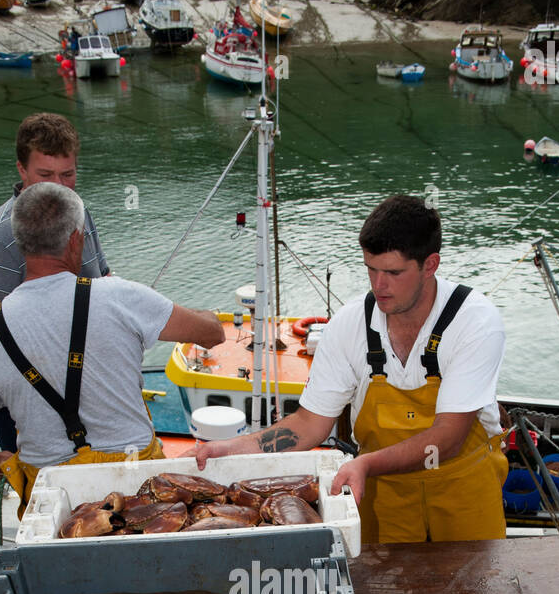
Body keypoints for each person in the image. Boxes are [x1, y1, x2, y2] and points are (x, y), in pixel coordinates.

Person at [195, 194, 508, 543]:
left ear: (430, 264)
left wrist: (366, 463)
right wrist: (233, 448)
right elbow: (309, 424)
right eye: (371, 269)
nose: (379, 286)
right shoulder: (350, 324)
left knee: (476, 593)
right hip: (382, 494)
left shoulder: (474, 320)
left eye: (393, 272)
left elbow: (448, 439)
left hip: (463, 492)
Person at [0, 183, 224, 513]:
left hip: (51, 497)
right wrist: (203, 316)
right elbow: (212, 333)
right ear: (76, 239)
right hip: (136, 490)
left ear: (20, 241)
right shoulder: (122, 297)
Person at [0, 112, 110, 453]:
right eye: (45, 175)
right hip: (24, 401)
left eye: (67, 174)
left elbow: (102, 279)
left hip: (86, 387)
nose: (57, 186)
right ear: (21, 170)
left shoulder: (79, 214)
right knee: (38, 495)